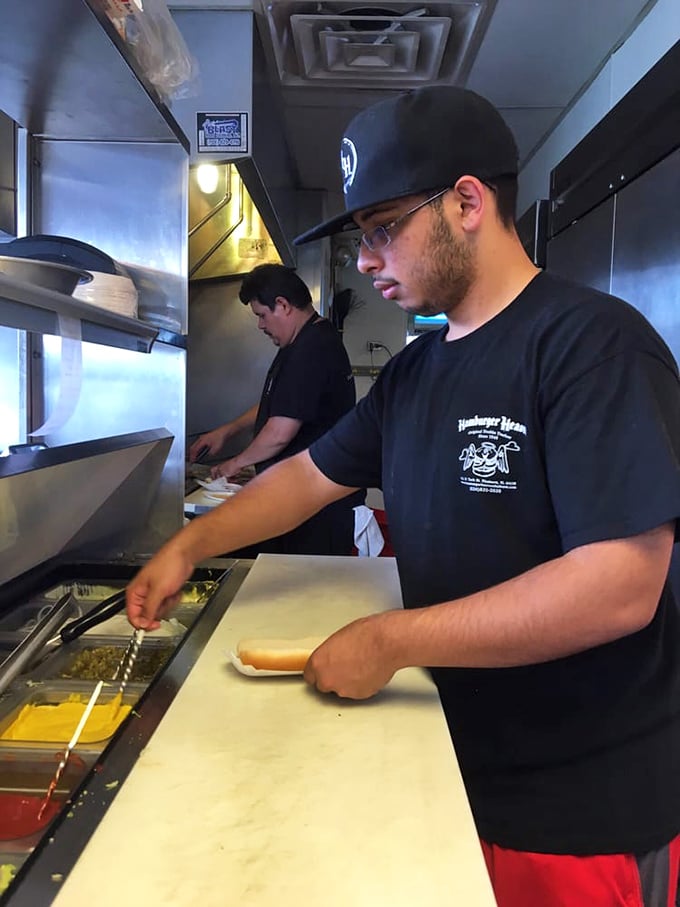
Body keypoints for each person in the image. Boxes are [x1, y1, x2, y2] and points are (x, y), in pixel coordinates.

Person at [128, 86, 680, 907]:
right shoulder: (416, 372)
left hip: (577, 810)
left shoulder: (591, 345)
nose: (366, 260)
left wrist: (393, 638)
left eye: (382, 229)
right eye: (361, 238)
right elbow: (307, 477)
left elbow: (620, 586)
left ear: (466, 202)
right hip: (451, 766)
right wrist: (188, 544)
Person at [188, 263, 362, 555]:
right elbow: (277, 405)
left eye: (261, 315)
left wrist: (236, 463)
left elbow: (280, 432)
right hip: (303, 500)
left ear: (282, 305)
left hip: (316, 510)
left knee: (305, 593)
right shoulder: (301, 343)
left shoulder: (313, 348)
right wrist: (228, 430)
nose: (260, 325)